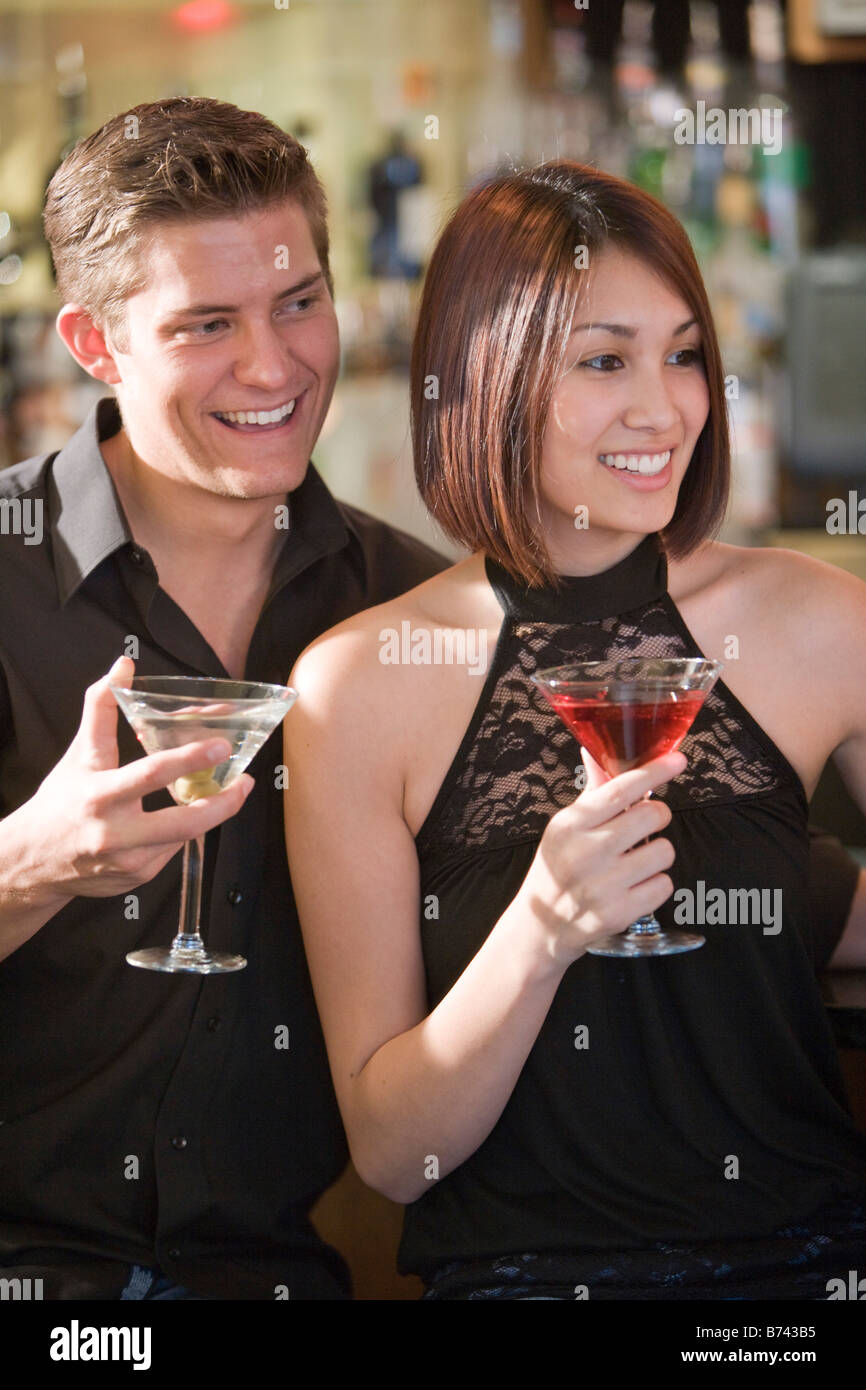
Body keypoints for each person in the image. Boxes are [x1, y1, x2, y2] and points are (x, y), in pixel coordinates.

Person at [284, 162, 866, 1300]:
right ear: (485, 381)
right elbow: (399, 1156)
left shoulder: (817, 618)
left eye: (683, 351)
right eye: (603, 360)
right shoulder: (354, 688)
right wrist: (540, 931)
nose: (664, 407)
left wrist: (807, 894)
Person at [0, 97, 447, 1300]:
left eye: (298, 301)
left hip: (278, 1276)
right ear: (94, 344)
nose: (273, 365)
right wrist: (33, 862)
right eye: (206, 324)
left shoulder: (409, 611)